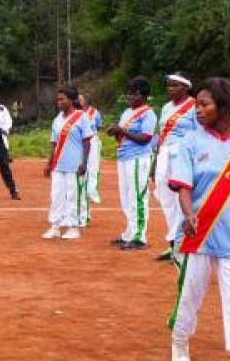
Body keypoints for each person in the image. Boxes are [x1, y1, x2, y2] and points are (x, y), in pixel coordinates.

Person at [166, 77, 230, 361]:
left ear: (223, 107)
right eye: (196, 104)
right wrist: (189, 213)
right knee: (191, 294)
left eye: (204, 104)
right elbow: (183, 186)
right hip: (200, 232)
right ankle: (180, 340)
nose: (198, 110)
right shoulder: (191, 142)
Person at [107, 76, 157, 250]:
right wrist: (115, 131)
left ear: (143, 95)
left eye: (134, 93)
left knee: (138, 196)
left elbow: (145, 138)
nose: (130, 97)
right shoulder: (127, 112)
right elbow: (125, 134)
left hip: (139, 158)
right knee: (126, 198)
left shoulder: (148, 113)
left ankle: (139, 236)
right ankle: (129, 232)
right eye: (129, 93)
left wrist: (122, 130)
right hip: (124, 157)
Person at [152, 74, 197, 261]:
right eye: (169, 85)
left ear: (185, 88)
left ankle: (181, 244)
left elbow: (199, 133)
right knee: (165, 197)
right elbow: (161, 134)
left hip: (182, 155)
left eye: (175, 86)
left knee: (181, 198)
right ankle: (173, 241)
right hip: (165, 154)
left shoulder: (195, 106)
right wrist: (155, 161)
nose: (170, 88)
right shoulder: (165, 108)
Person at [42, 86, 93, 240]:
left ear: (71, 100)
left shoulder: (81, 117)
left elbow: (87, 142)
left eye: (62, 99)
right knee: (56, 195)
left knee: (72, 196)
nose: (59, 102)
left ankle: (73, 227)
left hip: (74, 165)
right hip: (58, 164)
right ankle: (55, 226)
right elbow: (53, 143)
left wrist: (84, 162)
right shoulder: (57, 120)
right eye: (58, 99)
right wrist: (49, 163)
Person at [78, 93, 103, 204]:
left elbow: (98, 126)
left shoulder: (95, 112)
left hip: (92, 140)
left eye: (81, 99)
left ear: (87, 100)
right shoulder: (76, 113)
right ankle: (81, 190)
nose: (79, 101)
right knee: (81, 165)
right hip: (79, 141)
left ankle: (92, 191)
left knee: (93, 166)